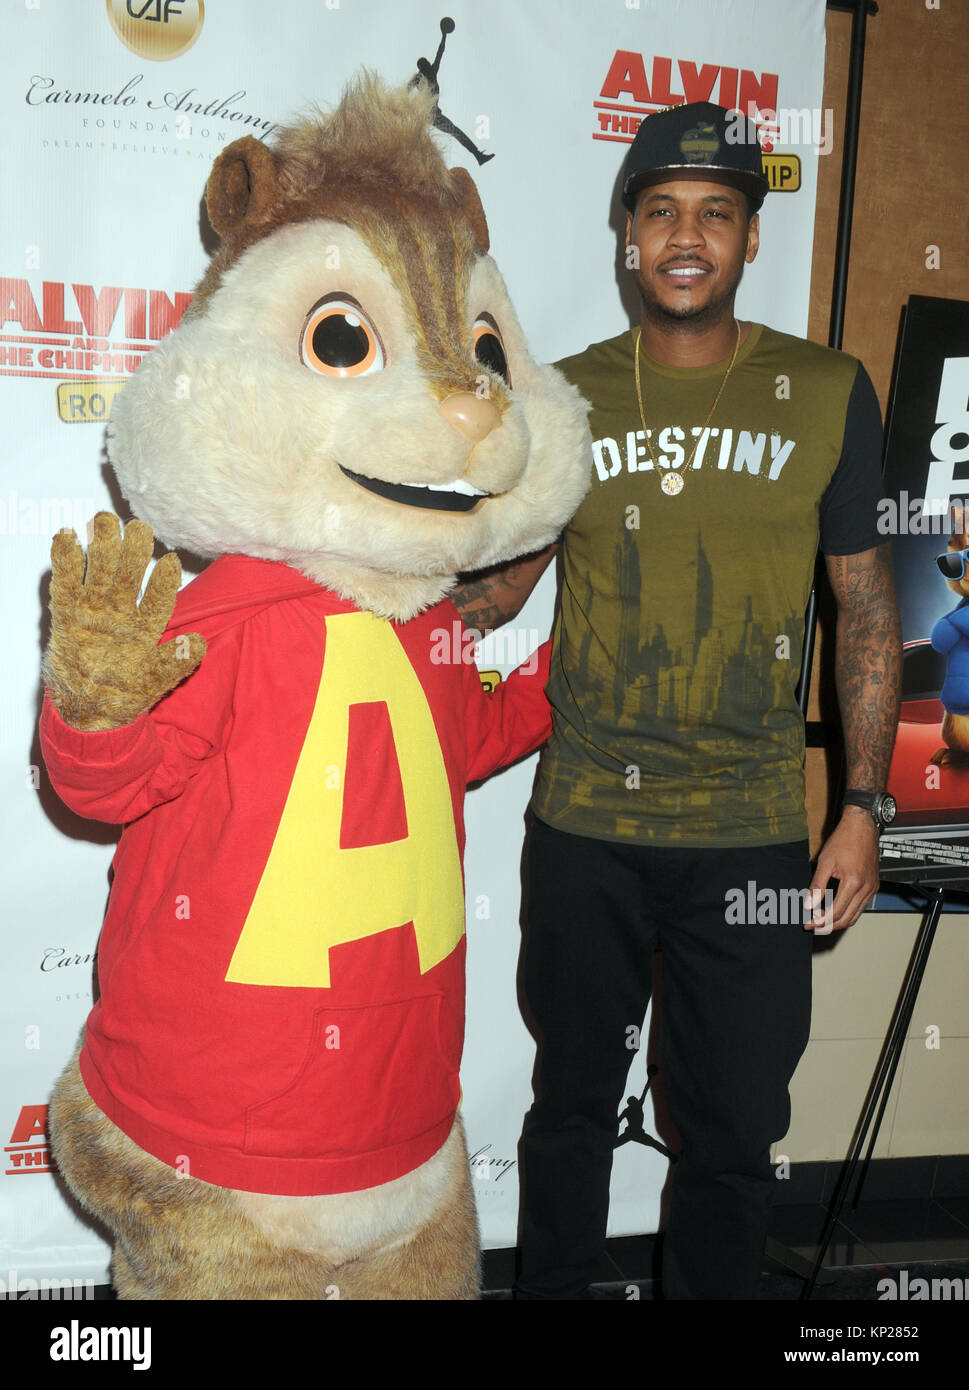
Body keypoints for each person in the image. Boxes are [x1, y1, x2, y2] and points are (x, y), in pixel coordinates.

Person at [450, 101, 902, 1300]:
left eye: (715, 213)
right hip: (587, 820)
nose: (686, 236)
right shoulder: (567, 396)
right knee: (570, 1108)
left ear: (751, 239)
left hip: (749, 831)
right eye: (661, 213)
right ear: (627, 241)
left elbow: (863, 607)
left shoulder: (824, 391)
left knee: (734, 1129)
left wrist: (862, 803)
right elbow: (498, 593)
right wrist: (339, 584)